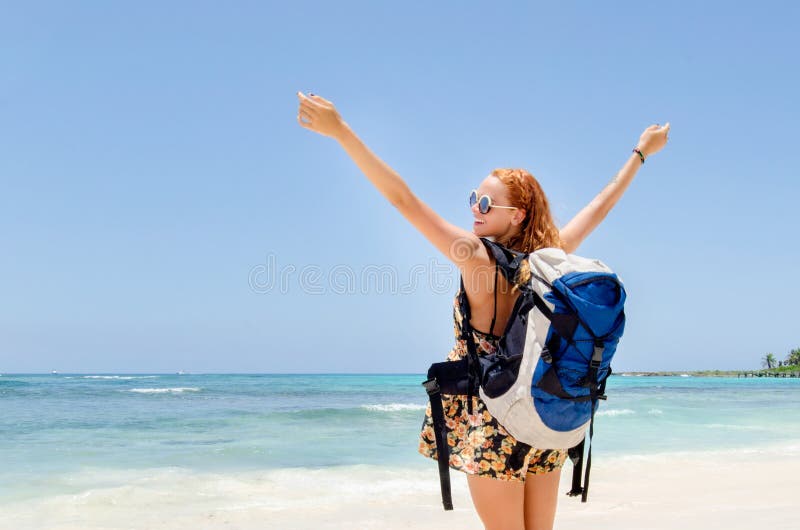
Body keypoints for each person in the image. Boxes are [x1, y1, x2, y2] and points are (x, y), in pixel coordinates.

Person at [296, 91, 669, 530]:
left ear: (517, 215)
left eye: (487, 204)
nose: (475, 208)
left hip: (493, 418)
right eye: (474, 198)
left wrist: (341, 132)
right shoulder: (550, 261)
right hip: (541, 414)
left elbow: (404, 201)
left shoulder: (475, 256)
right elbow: (600, 208)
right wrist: (640, 153)